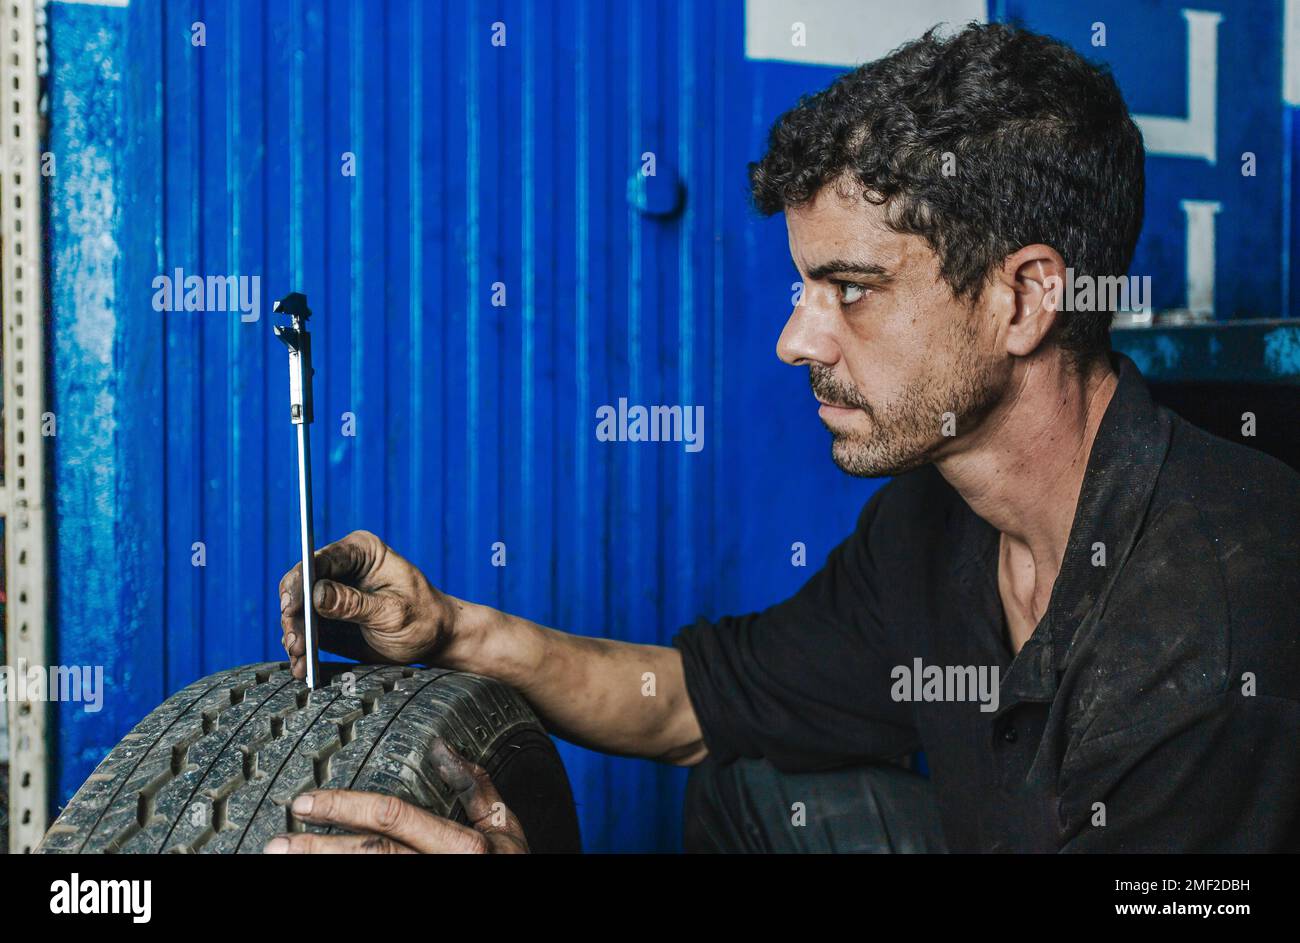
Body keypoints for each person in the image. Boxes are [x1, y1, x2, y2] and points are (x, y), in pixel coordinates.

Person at [266, 23, 1300, 854]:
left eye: (851, 290)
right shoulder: (936, 522)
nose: (794, 338)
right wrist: (452, 632)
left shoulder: (1209, 620)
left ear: (1022, 297)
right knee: (761, 777)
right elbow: (693, 706)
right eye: (804, 286)